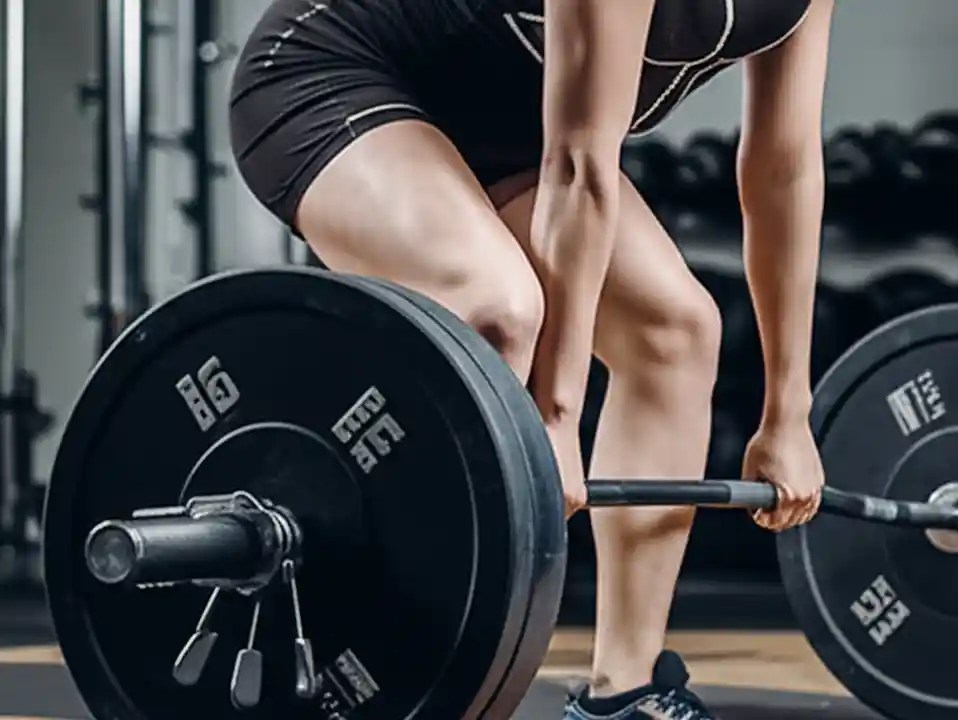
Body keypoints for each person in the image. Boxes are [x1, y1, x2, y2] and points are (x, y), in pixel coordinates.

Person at [229, 1, 834, 717]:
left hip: (503, 118)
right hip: (335, 71)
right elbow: (579, 167)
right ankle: (385, 651)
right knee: (497, 308)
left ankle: (625, 693)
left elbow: (783, 167)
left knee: (676, 332)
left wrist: (788, 415)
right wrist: (553, 417)